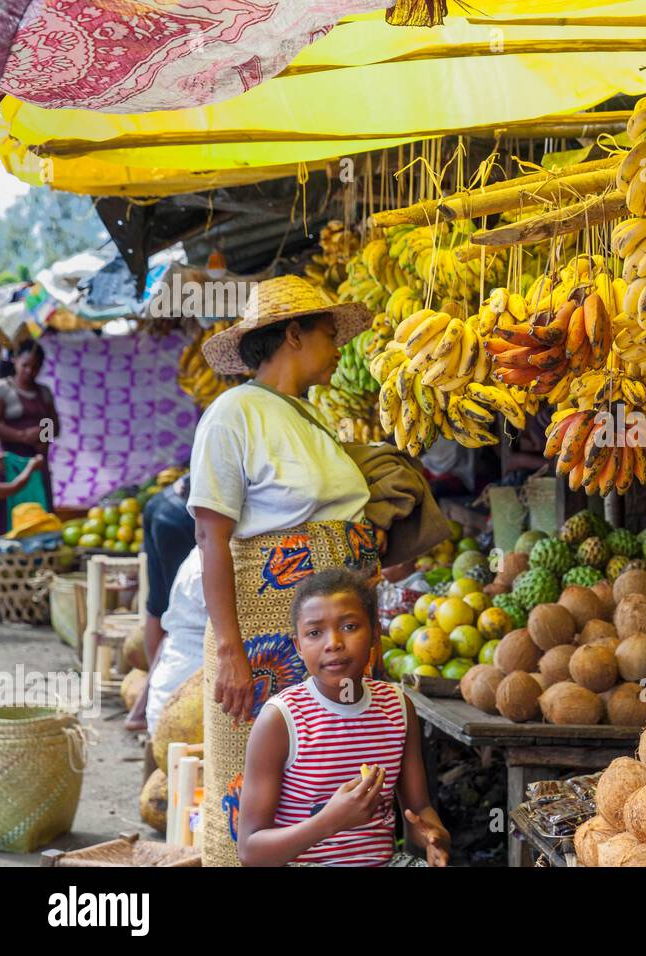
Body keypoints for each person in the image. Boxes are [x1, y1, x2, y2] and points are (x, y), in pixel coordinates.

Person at [188, 275, 376, 867]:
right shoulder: (232, 414)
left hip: (331, 628)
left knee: (326, 778)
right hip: (265, 635)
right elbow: (210, 537)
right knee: (256, 795)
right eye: (328, 334)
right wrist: (231, 652)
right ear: (293, 335)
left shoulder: (306, 417)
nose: (339, 347)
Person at [237, 569, 450, 867]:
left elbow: (419, 808)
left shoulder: (397, 707)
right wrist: (330, 821)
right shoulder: (281, 720)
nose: (333, 643)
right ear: (298, 646)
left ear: (375, 634)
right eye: (314, 633)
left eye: (350, 626)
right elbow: (250, 851)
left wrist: (433, 836)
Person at [126, 473, 196, 731]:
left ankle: (144, 705)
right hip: (180, 515)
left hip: (163, 501)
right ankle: (142, 707)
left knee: (159, 605)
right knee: (179, 617)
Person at [143, 547, 207, 735]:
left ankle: (139, 711)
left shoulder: (197, 555)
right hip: (180, 718)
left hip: (166, 701)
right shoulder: (208, 563)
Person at [0, 340, 60, 517]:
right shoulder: (3, 389)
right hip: (11, 464)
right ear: (15, 360)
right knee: (13, 511)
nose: (29, 371)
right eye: (25, 365)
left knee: (40, 511)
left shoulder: (44, 392)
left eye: (35, 367)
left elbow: (52, 423)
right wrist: (23, 435)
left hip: (39, 461)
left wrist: (43, 440)